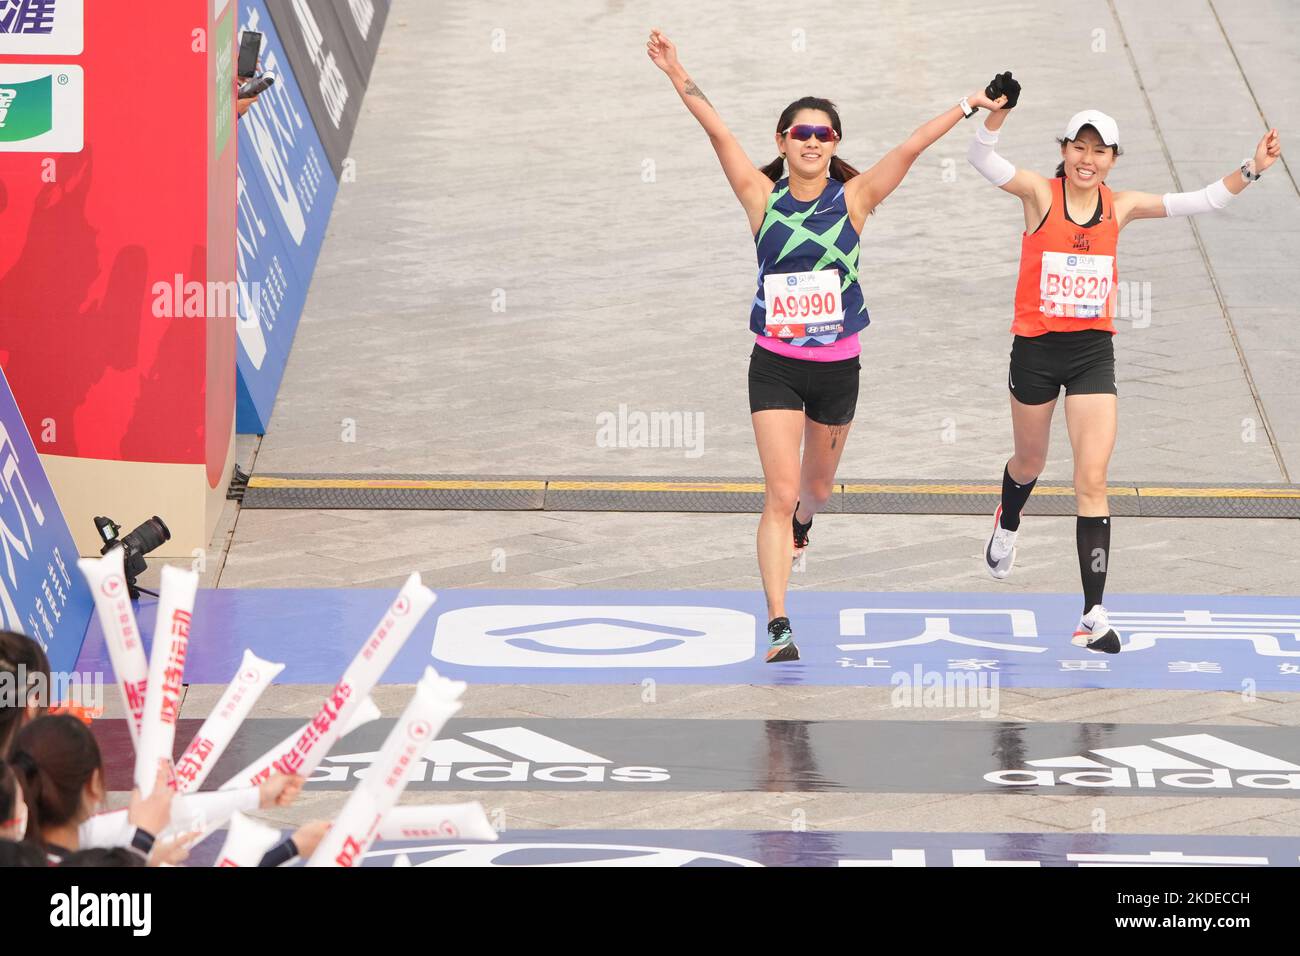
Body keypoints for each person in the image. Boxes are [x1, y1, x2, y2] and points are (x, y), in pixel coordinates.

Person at [647, 29, 1008, 661]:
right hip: (776, 368)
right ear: (781, 142)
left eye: (823, 135)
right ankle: (779, 623)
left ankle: (806, 526)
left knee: (814, 492)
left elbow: (913, 147)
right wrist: (678, 71)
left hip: (839, 371)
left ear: (834, 145)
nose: (812, 143)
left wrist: (970, 103)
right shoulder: (760, 196)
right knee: (779, 493)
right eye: (800, 134)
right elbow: (716, 131)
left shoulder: (856, 197)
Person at [967, 72, 1282, 652]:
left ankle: (1093, 613)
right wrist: (994, 112)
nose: (1088, 159)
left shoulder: (1123, 206)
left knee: (1093, 479)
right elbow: (981, 158)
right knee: (1030, 461)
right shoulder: (1041, 194)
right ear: (1064, 152)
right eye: (1078, 147)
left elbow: (1204, 200)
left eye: (1100, 150)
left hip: (1091, 352)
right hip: (1035, 351)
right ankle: (1008, 521)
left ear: (1113, 159)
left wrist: (1253, 167)